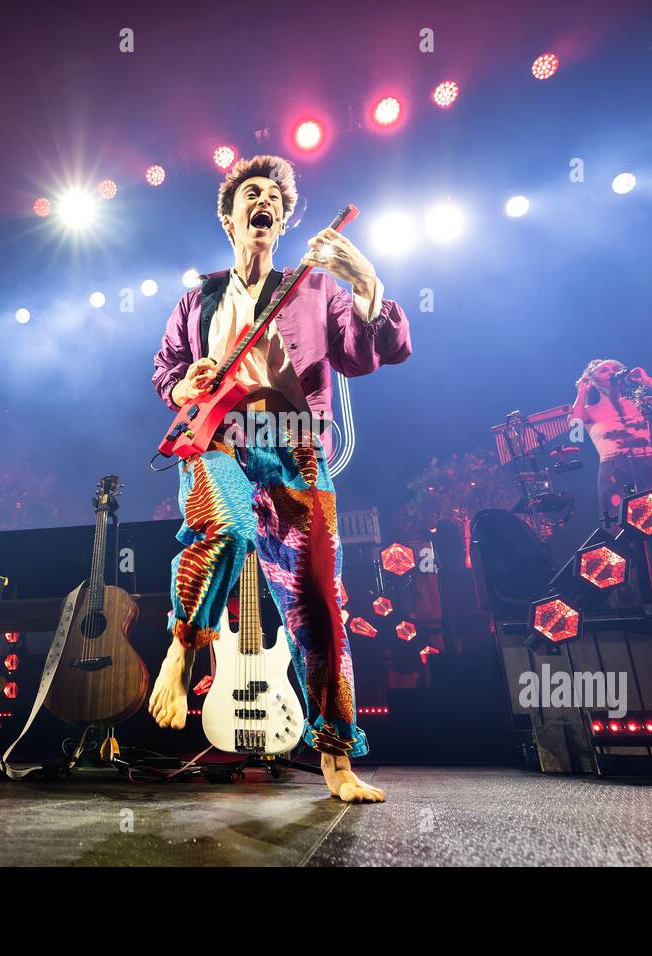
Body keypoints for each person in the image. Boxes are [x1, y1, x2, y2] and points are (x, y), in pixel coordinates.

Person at [150, 155, 410, 802]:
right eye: (252, 194)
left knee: (319, 601)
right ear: (230, 217)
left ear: (283, 219)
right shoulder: (197, 300)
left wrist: (367, 281)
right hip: (222, 444)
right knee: (227, 528)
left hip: (295, 451)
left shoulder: (315, 289)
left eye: (274, 197)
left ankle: (336, 759)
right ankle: (185, 644)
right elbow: (165, 372)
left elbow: (373, 352)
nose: (264, 202)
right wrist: (186, 382)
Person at [571, 359, 652, 603]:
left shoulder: (639, 402)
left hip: (648, 465)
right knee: (620, 536)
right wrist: (582, 390)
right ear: (593, 379)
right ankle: (631, 603)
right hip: (614, 468)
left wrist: (647, 380)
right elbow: (575, 427)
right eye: (604, 370)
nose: (611, 372)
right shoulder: (589, 409)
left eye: (614, 368)